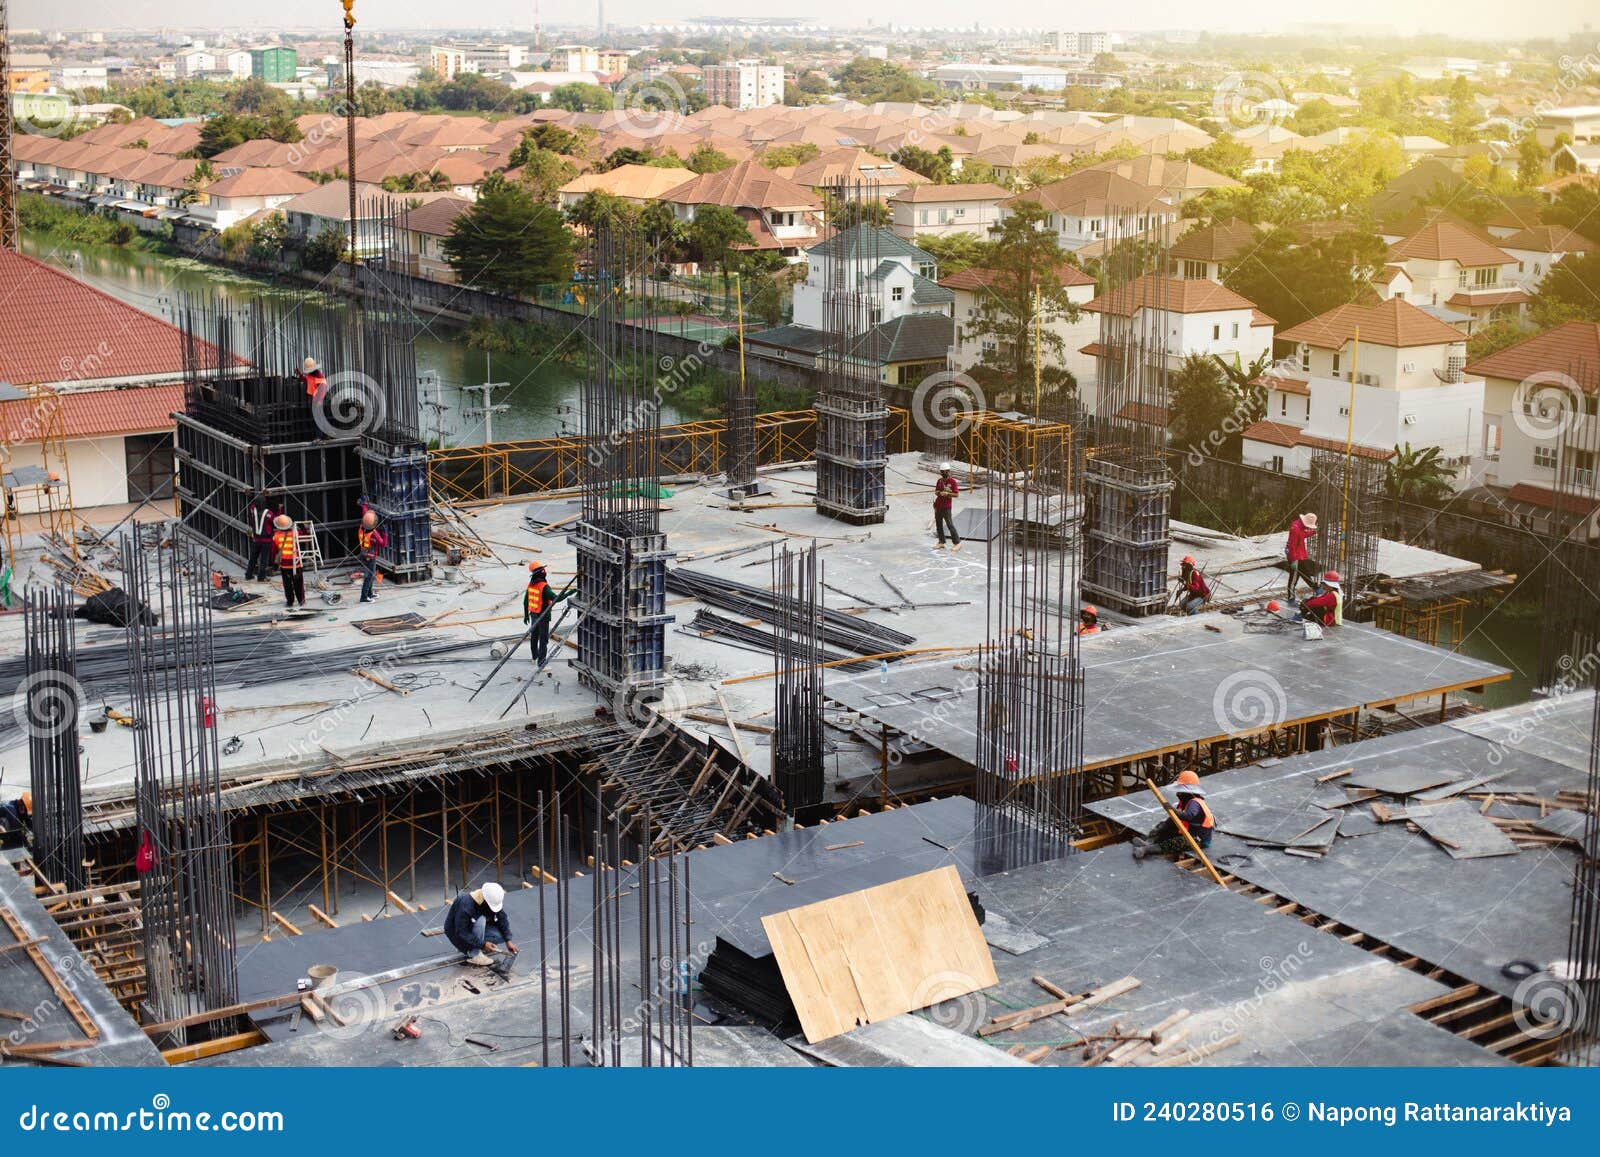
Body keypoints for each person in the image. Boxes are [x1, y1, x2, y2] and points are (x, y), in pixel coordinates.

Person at [1132, 772, 1214, 859]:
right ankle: (1150, 841)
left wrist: (1172, 809)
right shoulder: (1184, 802)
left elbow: (1189, 816)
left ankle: (1146, 849)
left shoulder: (1195, 803)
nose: (1178, 794)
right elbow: (1174, 819)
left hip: (1198, 839)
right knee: (1164, 827)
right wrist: (1164, 827)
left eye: (1180, 791)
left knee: (1175, 842)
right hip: (1186, 832)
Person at [443, 881, 517, 966]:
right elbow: (462, 931)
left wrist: (508, 940)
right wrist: (483, 944)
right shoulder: (466, 905)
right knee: (480, 920)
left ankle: (473, 945)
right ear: (485, 900)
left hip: (471, 928)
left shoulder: (487, 900)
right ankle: (474, 953)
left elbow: (502, 918)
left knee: (499, 936)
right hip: (456, 933)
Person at [524, 563, 574, 671]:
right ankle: (542, 663)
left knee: (534, 636)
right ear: (541, 573)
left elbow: (525, 601)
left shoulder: (531, 584)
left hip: (533, 614)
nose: (545, 572)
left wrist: (525, 615)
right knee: (543, 640)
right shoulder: (543, 587)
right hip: (543, 617)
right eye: (543, 570)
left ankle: (534, 657)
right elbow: (556, 599)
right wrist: (570, 592)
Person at [356, 502, 388, 604]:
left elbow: (365, 516)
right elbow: (383, 544)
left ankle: (369, 594)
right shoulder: (373, 534)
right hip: (370, 557)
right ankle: (364, 597)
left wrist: (364, 506)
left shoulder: (361, 527)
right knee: (369, 577)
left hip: (363, 554)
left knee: (371, 575)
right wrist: (385, 534)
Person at [272, 514, 306, 610]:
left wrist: (273, 564)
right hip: (296, 563)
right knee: (298, 583)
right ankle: (301, 601)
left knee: (287, 584)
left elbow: (273, 551)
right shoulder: (295, 533)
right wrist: (303, 528)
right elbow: (304, 537)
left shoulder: (276, 536)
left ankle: (290, 602)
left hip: (284, 565)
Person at [245, 492, 279, 582]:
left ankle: (248, 575)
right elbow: (275, 521)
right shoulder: (268, 513)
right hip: (266, 540)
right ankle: (261, 577)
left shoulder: (253, 510)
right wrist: (279, 509)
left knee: (253, 558)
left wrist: (252, 495)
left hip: (256, 539)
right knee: (264, 559)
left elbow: (252, 505)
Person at [1285, 512, 1318, 599]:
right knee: (1294, 577)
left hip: (1300, 555)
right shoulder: (1295, 529)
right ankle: (1291, 595)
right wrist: (1293, 560)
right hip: (1295, 557)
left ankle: (1316, 588)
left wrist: (1313, 532)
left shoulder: (1300, 526)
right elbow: (1292, 546)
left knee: (1305, 572)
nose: (1308, 528)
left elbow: (1303, 535)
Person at [932, 464, 961, 551]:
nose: (943, 473)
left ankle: (957, 543)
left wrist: (947, 494)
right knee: (938, 525)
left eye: (945, 472)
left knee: (950, 525)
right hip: (938, 506)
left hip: (946, 507)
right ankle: (941, 542)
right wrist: (938, 493)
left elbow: (956, 494)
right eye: (942, 472)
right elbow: (936, 491)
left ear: (948, 471)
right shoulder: (939, 481)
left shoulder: (953, 482)